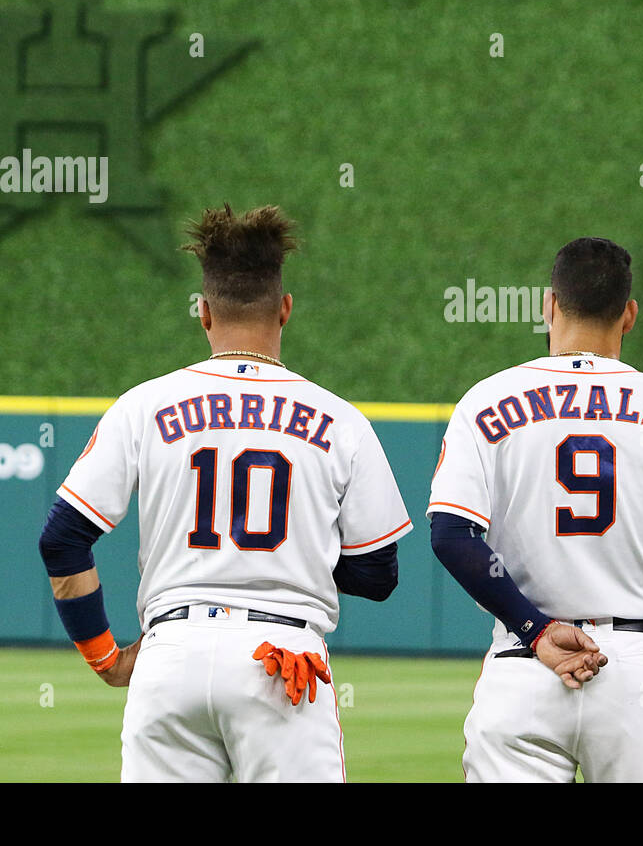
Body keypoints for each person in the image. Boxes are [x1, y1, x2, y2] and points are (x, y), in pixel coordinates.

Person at [37, 204, 412, 782]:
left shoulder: (144, 404)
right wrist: (294, 550)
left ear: (204, 312)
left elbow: (62, 540)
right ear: (285, 309)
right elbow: (379, 575)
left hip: (171, 656)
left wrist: (107, 658)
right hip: (282, 664)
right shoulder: (340, 420)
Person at [429, 237, 643, 782]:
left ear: (549, 305)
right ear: (629, 315)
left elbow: (452, 537)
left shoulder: (485, 400)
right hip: (632, 665)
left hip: (523, 659)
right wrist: (628, 547)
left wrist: (536, 628)